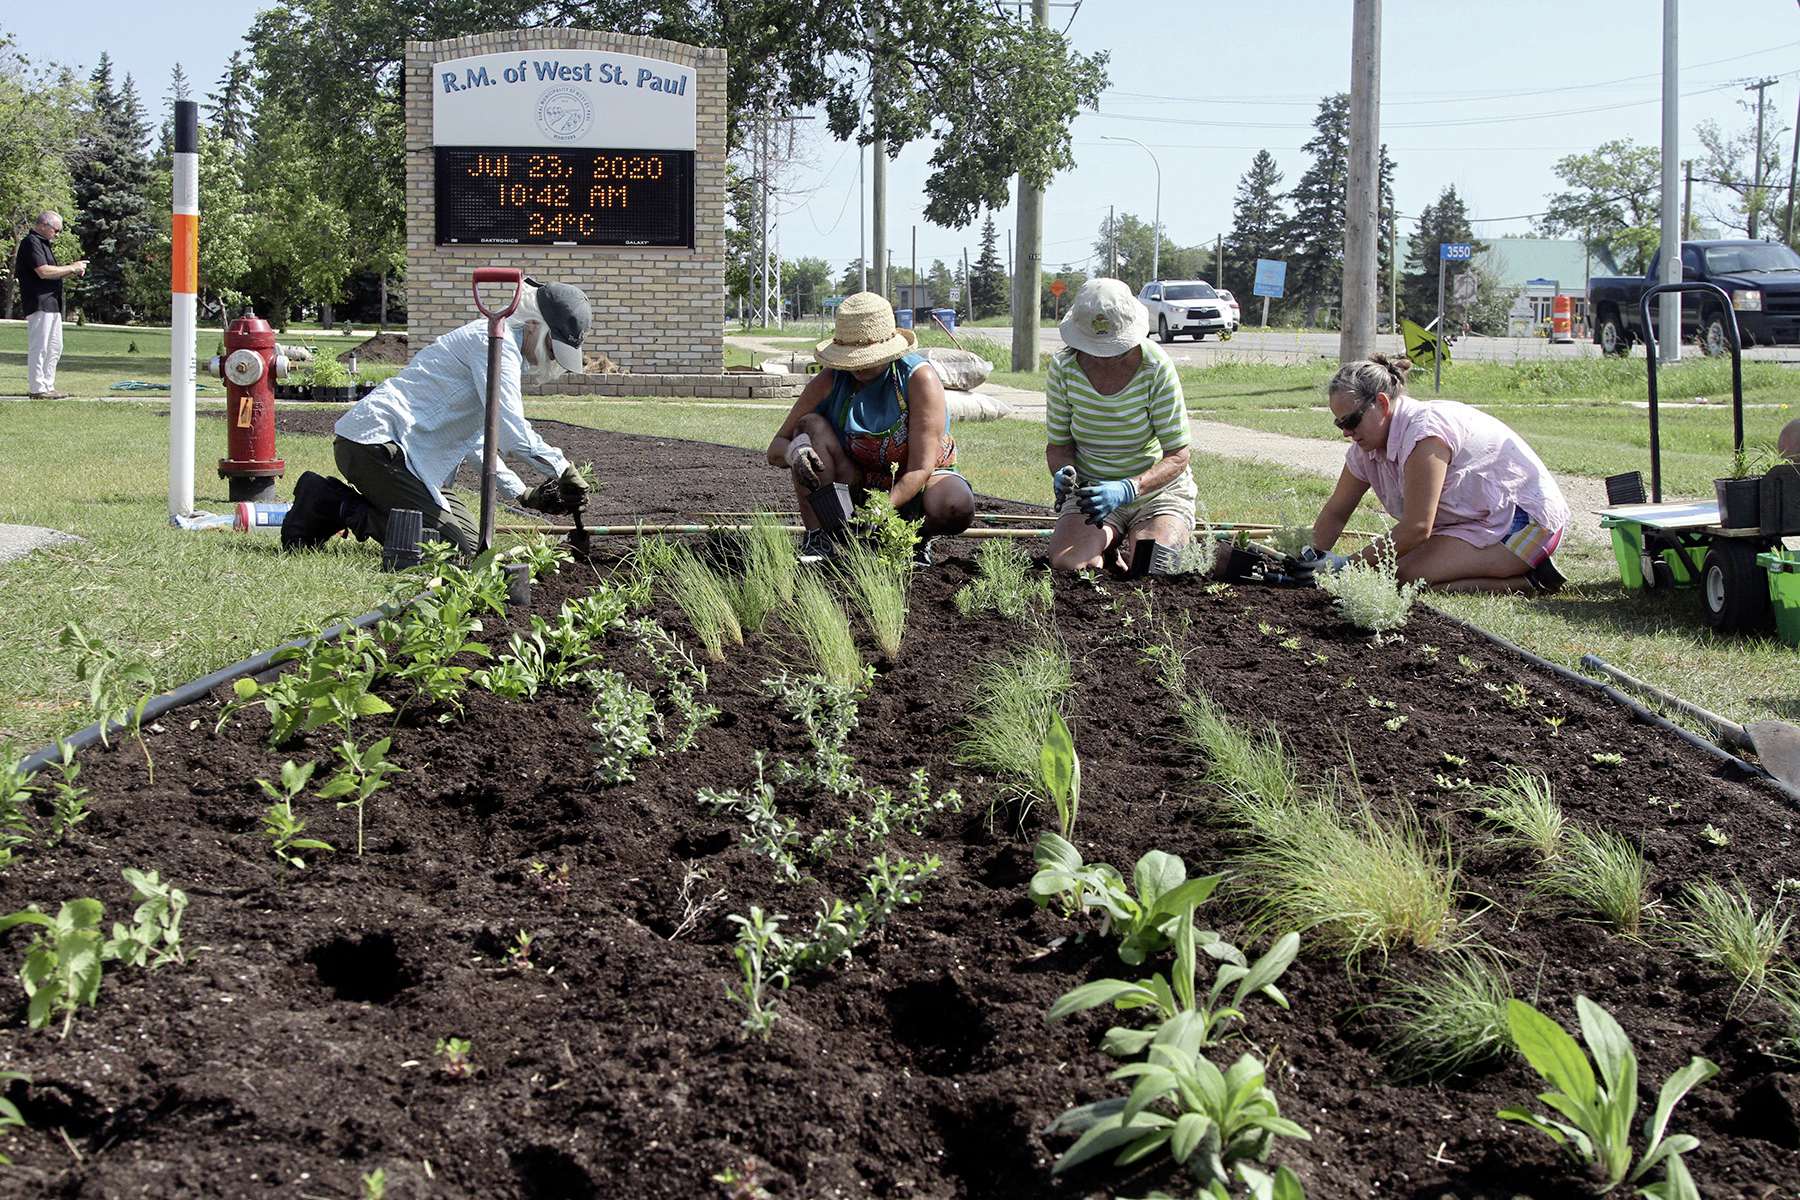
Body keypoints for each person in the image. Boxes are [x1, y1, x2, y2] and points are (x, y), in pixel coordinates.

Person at [282, 279, 593, 553]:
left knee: (474, 543)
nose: (551, 358)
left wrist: (522, 493)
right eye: (553, 348)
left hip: (404, 458)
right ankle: (331, 504)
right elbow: (511, 431)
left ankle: (382, 507)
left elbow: (478, 439)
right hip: (376, 446)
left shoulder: (499, 345)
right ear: (534, 325)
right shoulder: (492, 344)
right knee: (451, 548)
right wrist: (561, 467)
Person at [1303, 354, 1570, 594]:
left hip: (1524, 523)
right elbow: (1337, 512)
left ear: (1382, 404)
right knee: (1384, 566)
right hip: (1476, 520)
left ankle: (1530, 581)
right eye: (1339, 424)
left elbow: (1417, 528)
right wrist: (1306, 559)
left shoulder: (1425, 434)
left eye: (1350, 421)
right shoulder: (1366, 446)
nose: (1346, 432)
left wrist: (1348, 566)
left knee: (1403, 576)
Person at [767, 291, 974, 563]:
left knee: (954, 505)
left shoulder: (916, 378)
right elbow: (775, 448)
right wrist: (797, 451)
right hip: (857, 481)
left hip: (917, 483)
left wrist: (881, 510)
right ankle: (819, 537)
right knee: (809, 427)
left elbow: (920, 468)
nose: (858, 367)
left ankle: (916, 538)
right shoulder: (831, 380)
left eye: (866, 358)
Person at [1044, 277, 1196, 572]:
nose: (1106, 361)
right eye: (1096, 351)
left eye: (1116, 351)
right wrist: (1062, 472)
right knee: (1069, 564)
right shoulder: (1063, 368)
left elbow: (1178, 456)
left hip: (1156, 492)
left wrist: (1128, 489)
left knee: (1155, 564)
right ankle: (1108, 546)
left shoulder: (1156, 366)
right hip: (1093, 495)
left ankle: (1131, 538)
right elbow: (1058, 446)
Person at [13, 211, 88, 399]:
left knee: (55, 346)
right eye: (56, 230)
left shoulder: (43, 243)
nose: (58, 234)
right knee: (40, 346)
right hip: (38, 301)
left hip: (52, 303)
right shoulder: (31, 242)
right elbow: (43, 271)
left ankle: (48, 385)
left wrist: (72, 269)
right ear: (43, 225)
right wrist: (72, 267)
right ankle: (37, 388)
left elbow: (52, 271)